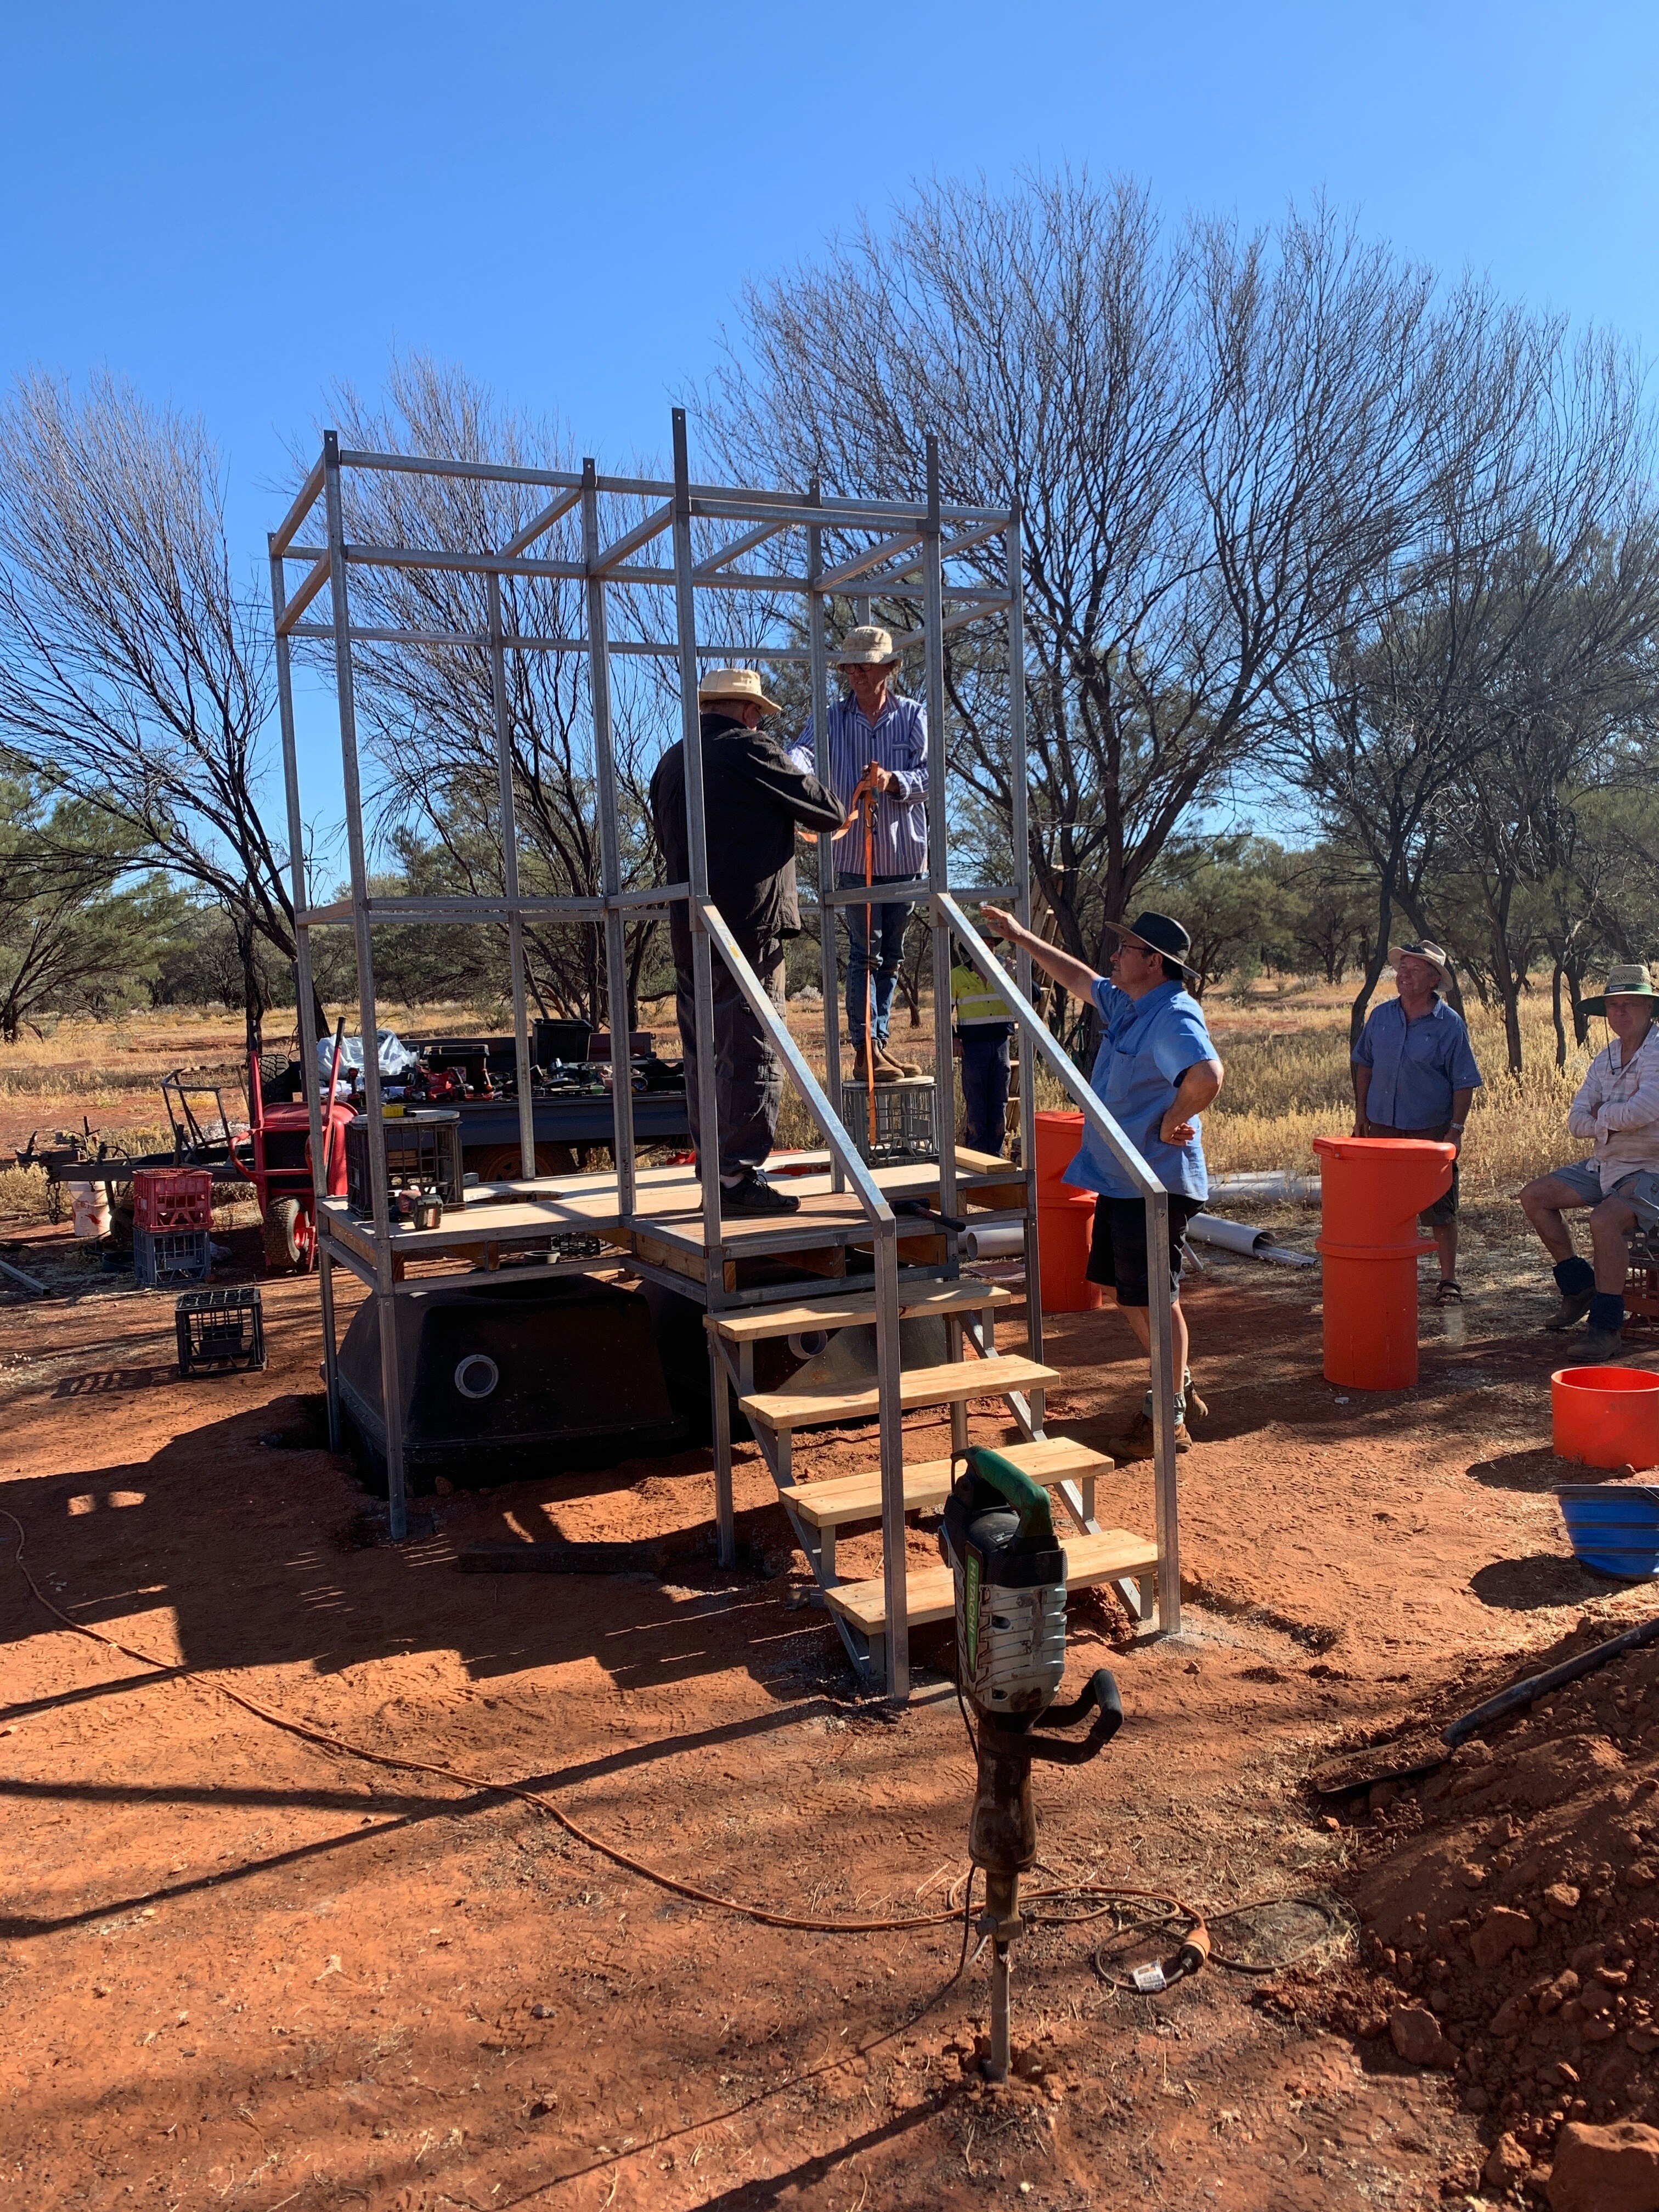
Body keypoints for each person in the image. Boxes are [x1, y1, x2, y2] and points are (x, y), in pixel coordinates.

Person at [979, 902, 1223, 1452]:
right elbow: (1081, 979)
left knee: (1153, 1297)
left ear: (1154, 962)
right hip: (1122, 1179)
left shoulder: (1173, 1014)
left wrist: (1173, 1119)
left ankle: (1168, 1416)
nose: (1114, 956)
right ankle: (1178, 1383)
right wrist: (1021, 937)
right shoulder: (1131, 1002)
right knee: (1122, 1290)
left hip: (1154, 1183)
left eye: (1126, 949)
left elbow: (1207, 1075)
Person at [648, 667, 845, 1217]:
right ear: (748, 710)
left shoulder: (672, 761)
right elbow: (827, 811)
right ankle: (736, 1177)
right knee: (752, 1049)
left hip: (691, 928)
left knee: (703, 1055)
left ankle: (716, 1170)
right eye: (758, 713)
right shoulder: (750, 748)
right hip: (748, 929)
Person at [790, 627, 928, 1085]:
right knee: (863, 954)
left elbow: (933, 776)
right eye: (850, 666)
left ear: (889, 668)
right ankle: (864, 1047)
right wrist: (791, 768)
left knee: (892, 956)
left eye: (865, 664)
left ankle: (879, 1044)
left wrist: (894, 782)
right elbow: (804, 751)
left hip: (905, 857)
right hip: (854, 858)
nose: (856, 673)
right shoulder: (832, 717)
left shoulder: (913, 716)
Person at [1520, 961, 1659, 1359]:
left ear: (1649, 1008)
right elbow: (1576, 1121)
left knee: (1605, 1220)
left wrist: (1603, 1116)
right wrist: (1612, 1121)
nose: (1621, 1012)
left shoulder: (1658, 1050)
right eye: (1614, 1005)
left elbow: (1645, 1109)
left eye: (1631, 1004)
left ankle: (1605, 1327)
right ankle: (1578, 1285)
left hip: (1652, 1169)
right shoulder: (1606, 1057)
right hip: (1608, 1164)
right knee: (1534, 1196)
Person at [1351, 939, 1483, 1306]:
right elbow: (1365, 1064)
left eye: (1414, 969)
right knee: (1382, 1205)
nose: (1404, 976)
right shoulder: (1381, 1017)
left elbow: (1464, 1082)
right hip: (1383, 1129)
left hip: (1430, 1132)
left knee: (1440, 1208)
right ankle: (1386, 1275)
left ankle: (1448, 1281)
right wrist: (1361, 1114)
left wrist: (1456, 1130)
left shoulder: (1449, 1025)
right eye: (1402, 968)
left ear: (1433, 979)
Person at [951, 938, 1015, 1157]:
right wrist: (954, 1039)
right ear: (970, 949)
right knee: (977, 1105)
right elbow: (943, 1010)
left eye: (991, 945)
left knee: (999, 1103)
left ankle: (996, 1158)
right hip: (973, 1048)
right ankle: (977, 1158)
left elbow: (1034, 995)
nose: (988, 949)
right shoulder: (958, 975)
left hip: (1001, 1045)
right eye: (982, 944)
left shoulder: (1006, 971)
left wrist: (1013, 975)